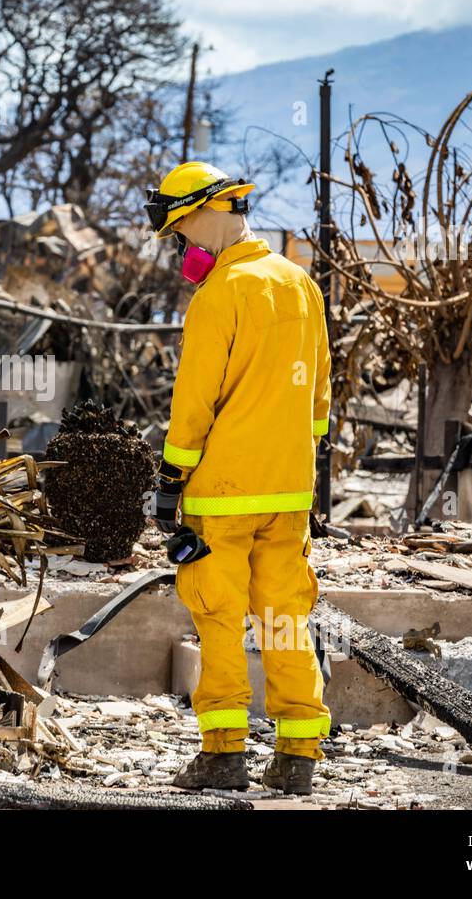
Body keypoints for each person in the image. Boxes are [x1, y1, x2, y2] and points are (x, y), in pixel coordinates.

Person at [144, 162, 331, 795]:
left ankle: (223, 754)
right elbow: (321, 399)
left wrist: (171, 477)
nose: (183, 248)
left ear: (204, 212)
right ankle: (298, 753)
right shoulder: (301, 285)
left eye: (181, 232)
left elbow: (194, 404)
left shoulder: (218, 296)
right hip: (290, 491)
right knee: (285, 616)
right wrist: (300, 468)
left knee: (218, 616)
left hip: (224, 492)